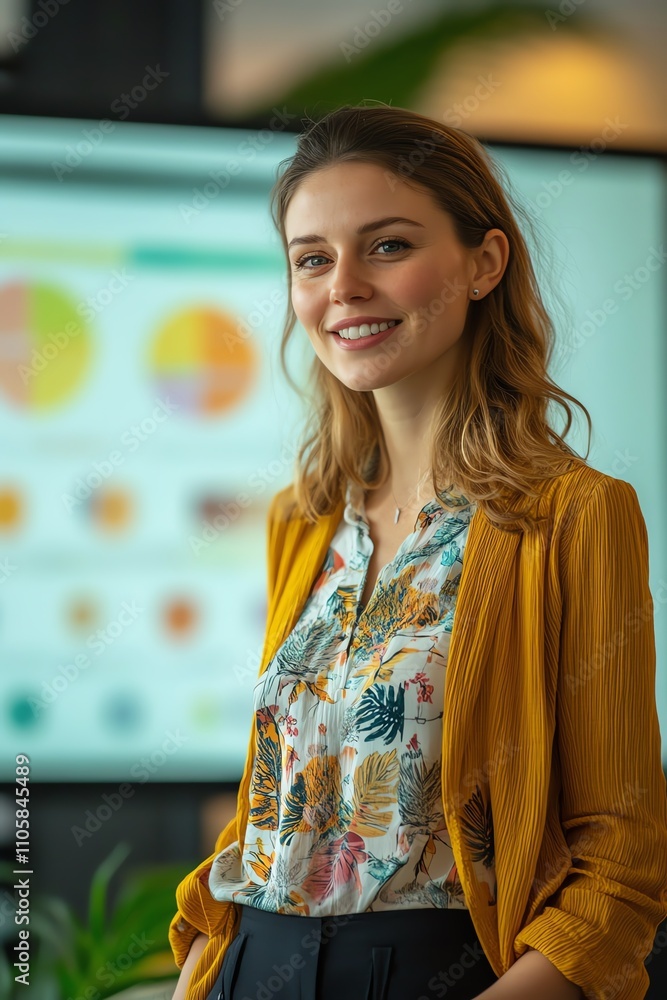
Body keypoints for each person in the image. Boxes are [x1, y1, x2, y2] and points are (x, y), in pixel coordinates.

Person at [169, 102, 667, 1000]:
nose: (343, 286)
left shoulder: (574, 516)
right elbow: (273, 808)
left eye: (388, 246)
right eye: (312, 259)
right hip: (249, 967)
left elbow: (619, 857)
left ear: (483, 264)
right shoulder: (306, 519)